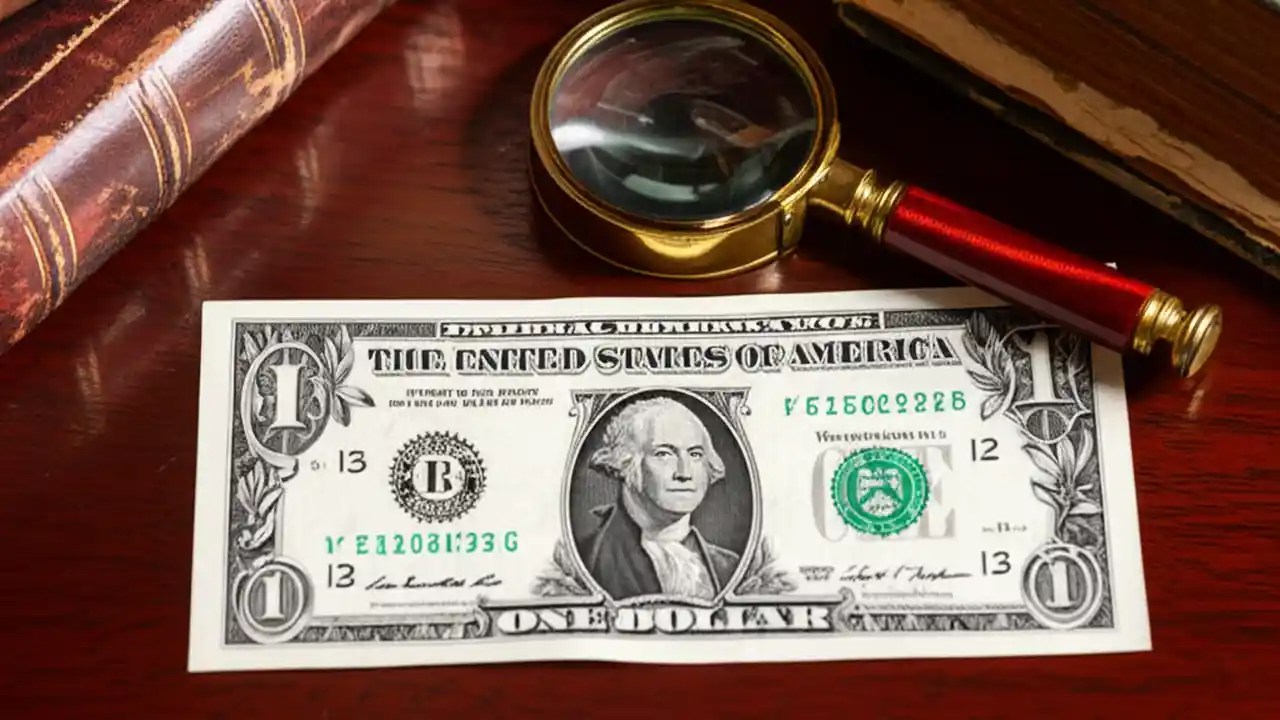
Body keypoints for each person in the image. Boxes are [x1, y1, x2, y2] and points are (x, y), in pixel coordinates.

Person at [576, 396, 740, 601]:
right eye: (664, 454)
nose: (684, 472)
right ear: (625, 463)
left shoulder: (730, 567)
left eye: (695, 454)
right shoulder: (585, 562)